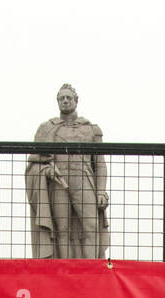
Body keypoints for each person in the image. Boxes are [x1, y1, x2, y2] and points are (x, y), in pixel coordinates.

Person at [26, 84, 110, 258]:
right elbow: (35, 161)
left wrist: (101, 190)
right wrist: (46, 171)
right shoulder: (47, 128)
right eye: (61, 98)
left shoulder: (91, 129)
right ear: (57, 102)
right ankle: (64, 269)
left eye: (68, 98)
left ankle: (92, 268)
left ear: (76, 100)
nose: (65, 101)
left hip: (83, 178)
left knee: (91, 226)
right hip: (58, 180)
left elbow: (100, 163)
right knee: (61, 229)